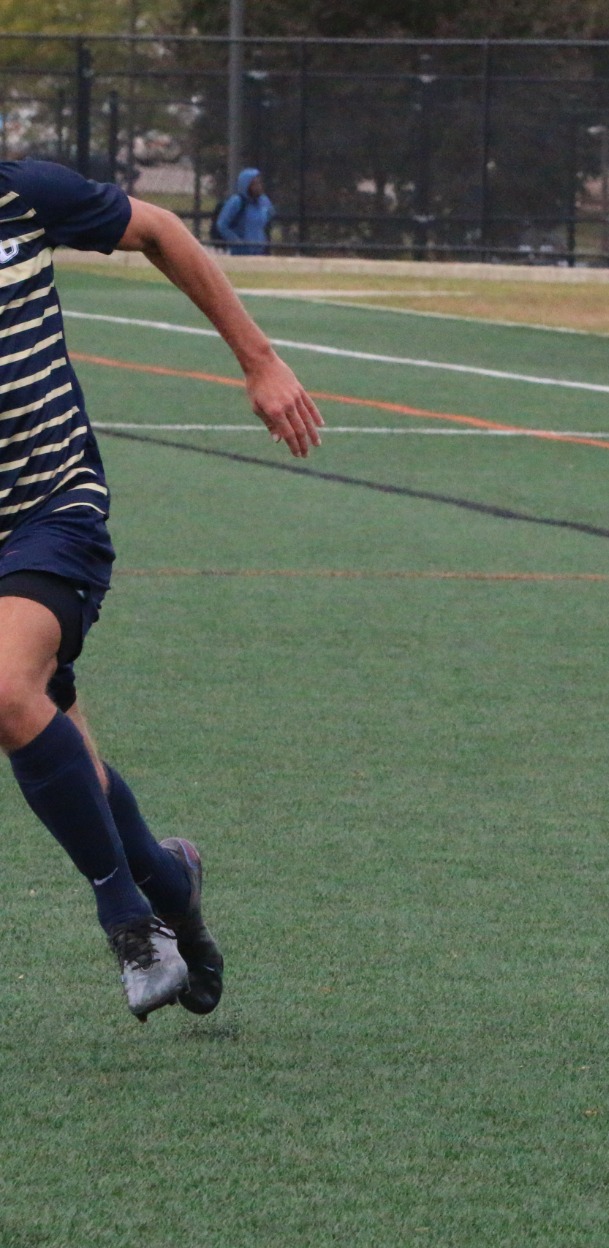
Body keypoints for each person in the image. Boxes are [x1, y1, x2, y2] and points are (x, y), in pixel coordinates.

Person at [0, 159, 321, 1019]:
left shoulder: (20, 193)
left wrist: (259, 360)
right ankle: (171, 883)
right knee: (53, 733)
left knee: (4, 688)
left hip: (52, 504)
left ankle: (130, 923)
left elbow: (161, 229)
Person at [212, 167, 275, 256]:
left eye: (259, 183)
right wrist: (236, 241)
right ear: (246, 185)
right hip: (241, 252)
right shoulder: (237, 201)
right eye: (254, 184)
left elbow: (269, 216)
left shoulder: (264, 201)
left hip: (261, 251)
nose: (258, 187)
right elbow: (222, 224)